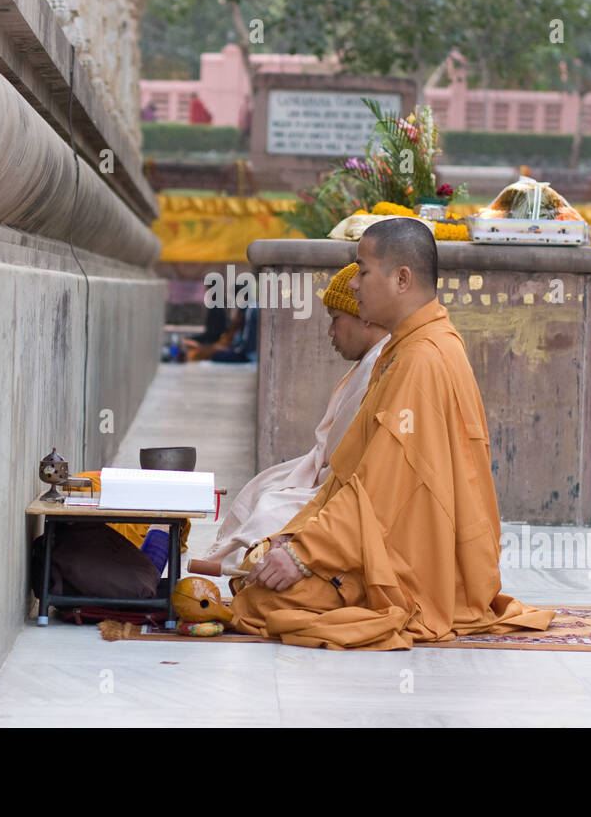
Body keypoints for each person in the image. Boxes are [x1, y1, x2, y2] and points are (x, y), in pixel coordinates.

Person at [229, 218, 555, 649]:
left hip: (419, 565)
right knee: (261, 572)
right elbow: (355, 471)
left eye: (363, 271)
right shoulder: (417, 344)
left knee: (262, 603)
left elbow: (378, 493)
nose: (356, 285)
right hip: (411, 541)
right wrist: (294, 537)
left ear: (402, 279)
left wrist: (303, 555)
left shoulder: (421, 358)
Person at [194, 264, 389, 572]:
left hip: (359, 504)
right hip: (337, 487)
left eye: (336, 320)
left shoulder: (391, 363)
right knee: (266, 487)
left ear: (364, 317)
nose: (331, 332)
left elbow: (361, 470)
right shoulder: (373, 360)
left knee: (271, 516)